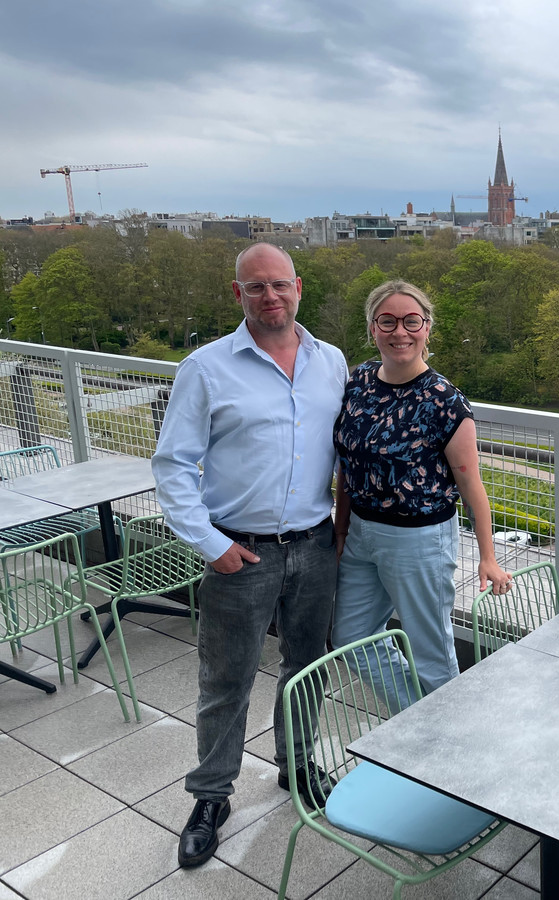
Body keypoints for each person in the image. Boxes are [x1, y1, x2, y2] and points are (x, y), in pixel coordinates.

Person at [152, 243, 348, 869]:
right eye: (256, 287)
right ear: (237, 294)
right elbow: (173, 466)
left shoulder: (332, 361)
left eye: (280, 285)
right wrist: (212, 546)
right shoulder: (206, 368)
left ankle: (296, 766)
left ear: (299, 288)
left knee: (305, 666)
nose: (271, 297)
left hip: (316, 547)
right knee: (225, 680)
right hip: (241, 552)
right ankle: (212, 796)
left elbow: (346, 452)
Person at [332, 279, 510, 712]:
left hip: (419, 541)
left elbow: (472, 486)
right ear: (372, 329)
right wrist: (340, 531)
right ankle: (422, 723)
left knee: (432, 656)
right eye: (387, 321)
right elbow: (347, 469)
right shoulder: (357, 382)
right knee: (350, 639)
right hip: (360, 534)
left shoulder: (445, 402)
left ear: (427, 328)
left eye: (412, 321)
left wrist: (487, 555)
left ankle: (446, 750)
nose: (400, 332)